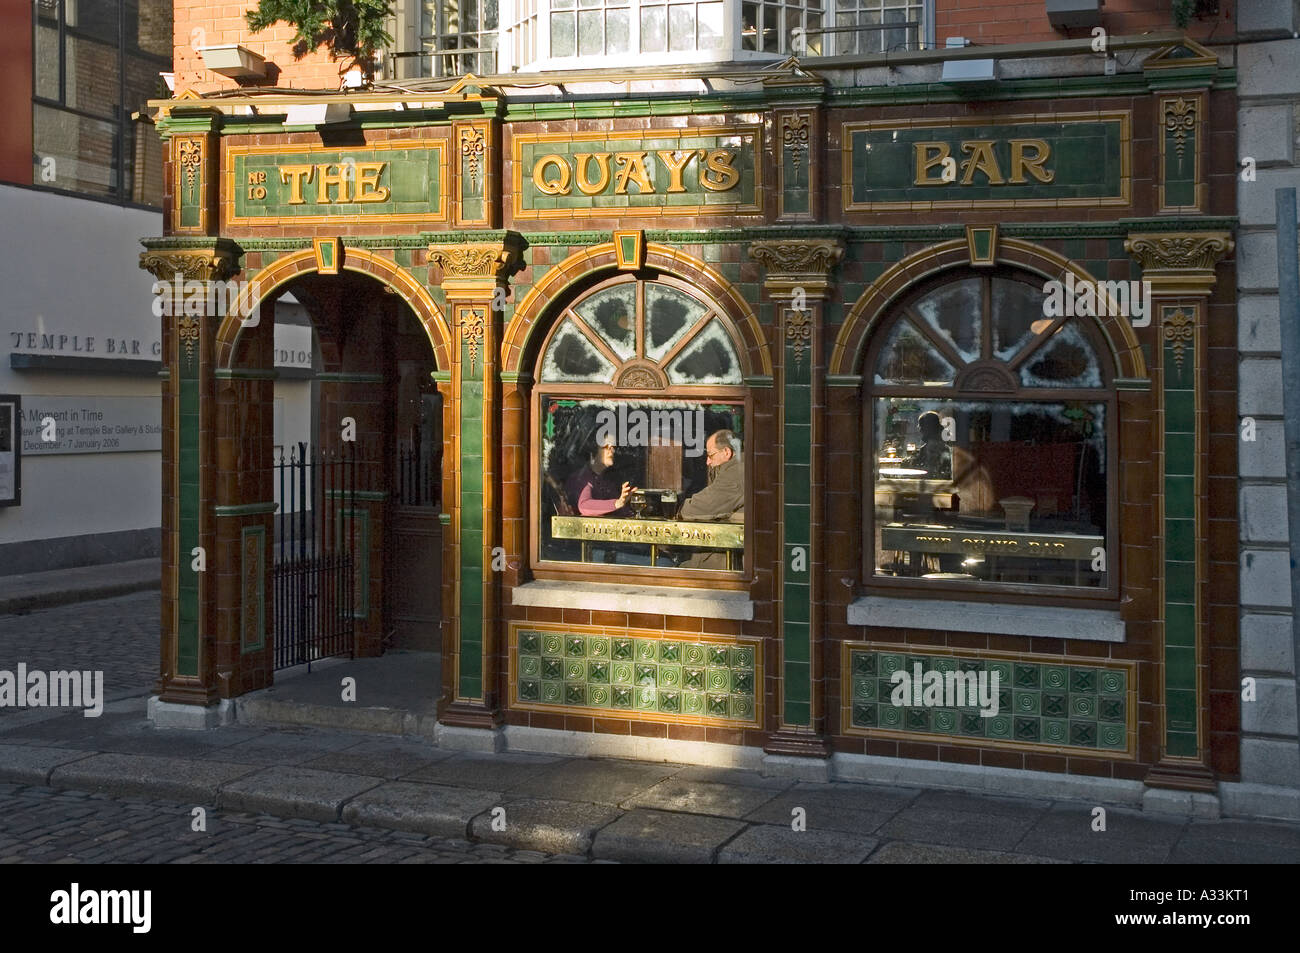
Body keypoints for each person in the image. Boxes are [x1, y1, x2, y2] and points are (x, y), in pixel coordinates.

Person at [678, 430, 744, 569]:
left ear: (726, 452)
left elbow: (700, 507)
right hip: (724, 559)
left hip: (724, 563)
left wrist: (675, 508)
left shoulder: (736, 473)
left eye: (710, 455)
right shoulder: (736, 468)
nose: (708, 462)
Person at [565, 436, 635, 516]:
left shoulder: (607, 481)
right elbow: (584, 506)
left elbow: (622, 511)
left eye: (613, 447)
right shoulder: (580, 478)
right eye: (606, 447)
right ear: (593, 452)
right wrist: (616, 503)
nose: (612, 451)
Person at [907, 411, 951, 479]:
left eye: (920, 426)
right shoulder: (944, 446)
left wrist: (911, 463)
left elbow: (927, 471)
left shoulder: (930, 447)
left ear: (925, 428)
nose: (919, 429)